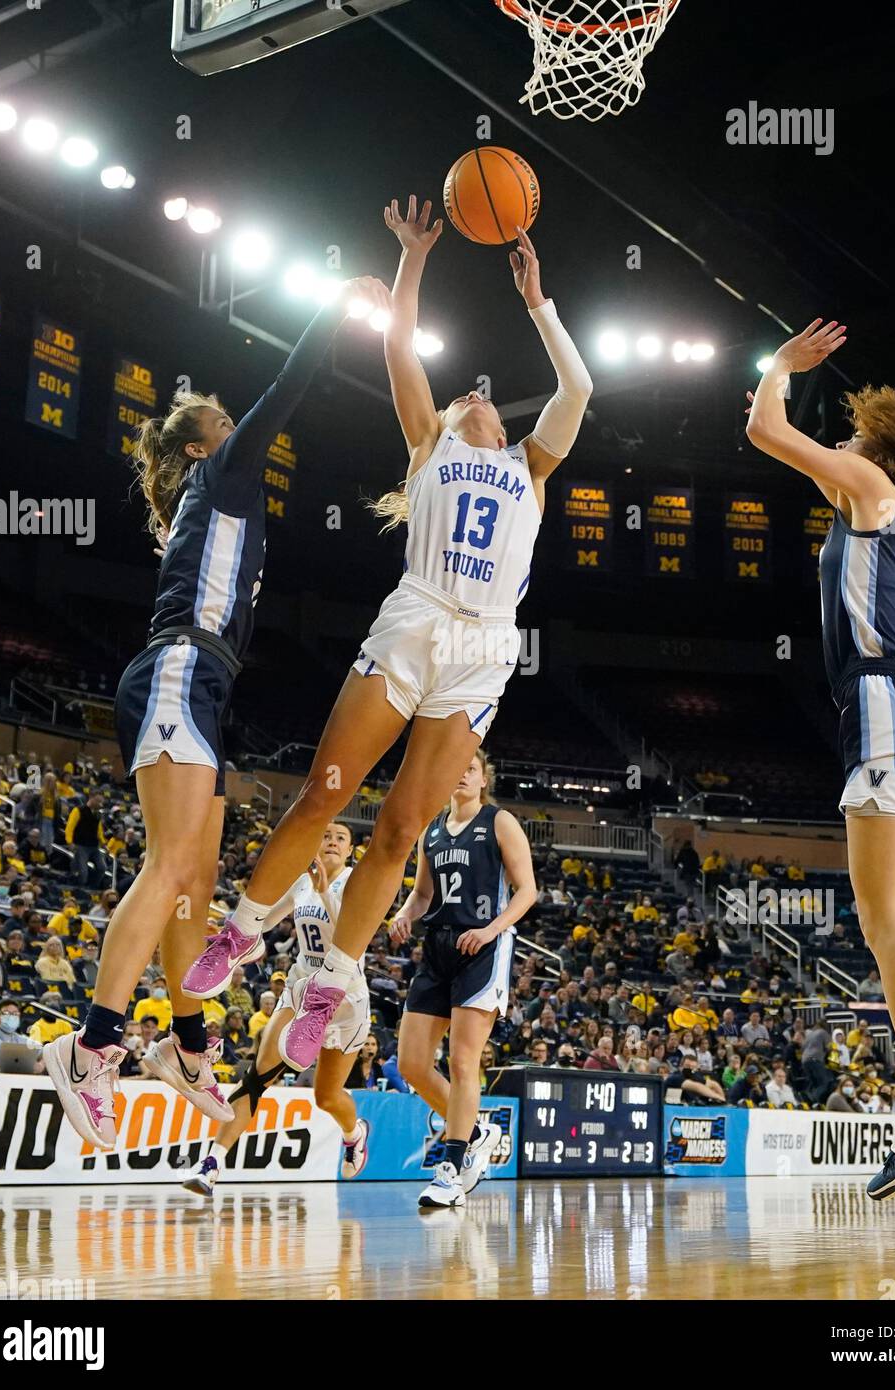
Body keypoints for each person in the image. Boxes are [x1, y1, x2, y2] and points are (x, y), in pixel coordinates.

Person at [181, 200, 591, 1096]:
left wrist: (537, 302)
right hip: (415, 618)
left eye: (484, 397)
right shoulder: (427, 445)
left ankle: (332, 979)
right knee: (327, 792)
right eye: (466, 396)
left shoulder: (532, 466)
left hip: (483, 649)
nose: (478, 396)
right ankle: (244, 926)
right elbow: (399, 348)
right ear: (447, 420)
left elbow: (578, 392)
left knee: (401, 827)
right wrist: (412, 260)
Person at [42, 274, 390, 1151]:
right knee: (167, 871)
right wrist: (336, 306)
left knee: (197, 885)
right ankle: (91, 1048)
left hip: (204, 684)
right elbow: (290, 388)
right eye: (224, 422)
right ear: (203, 447)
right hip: (177, 672)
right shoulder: (225, 470)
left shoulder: (216, 494)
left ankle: (188, 1045)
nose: (239, 428)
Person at [746, 320, 895, 1197]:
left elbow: (767, 437)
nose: (841, 444)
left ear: (879, 446)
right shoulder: (875, 498)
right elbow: (788, 445)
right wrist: (775, 396)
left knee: (885, 923)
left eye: (852, 435)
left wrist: (777, 370)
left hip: (886, 709)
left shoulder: (873, 482)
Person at [182, 824, 371, 1195]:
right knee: (257, 1077)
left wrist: (323, 892)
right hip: (303, 986)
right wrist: (230, 927)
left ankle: (355, 1133)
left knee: (326, 1097)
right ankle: (212, 1162)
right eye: (326, 834)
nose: (331, 840)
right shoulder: (303, 880)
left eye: (340, 837)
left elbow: (355, 932)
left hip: (346, 998)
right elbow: (265, 921)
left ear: (350, 850)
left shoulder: (359, 880)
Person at [389, 749, 538, 1209]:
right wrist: (404, 914)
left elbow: (528, 889)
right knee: (411, 1063)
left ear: (482, 778)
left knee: (462, 1059)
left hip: (484, 947)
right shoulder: (431, 829)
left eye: (470, 768)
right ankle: (475, 1131)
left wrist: (492, 928)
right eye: (454, 767)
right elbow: (422, 893)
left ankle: (452, 1167)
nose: (461, 774)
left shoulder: (500, 821)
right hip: (438, 947)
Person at [0, 998, 41, 1068]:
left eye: (15, 1014)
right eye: (6, 1013)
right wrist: (30, 1067)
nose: (12, 1017)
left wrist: (41, 1064)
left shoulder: (20, 1039)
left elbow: (44, 1052)